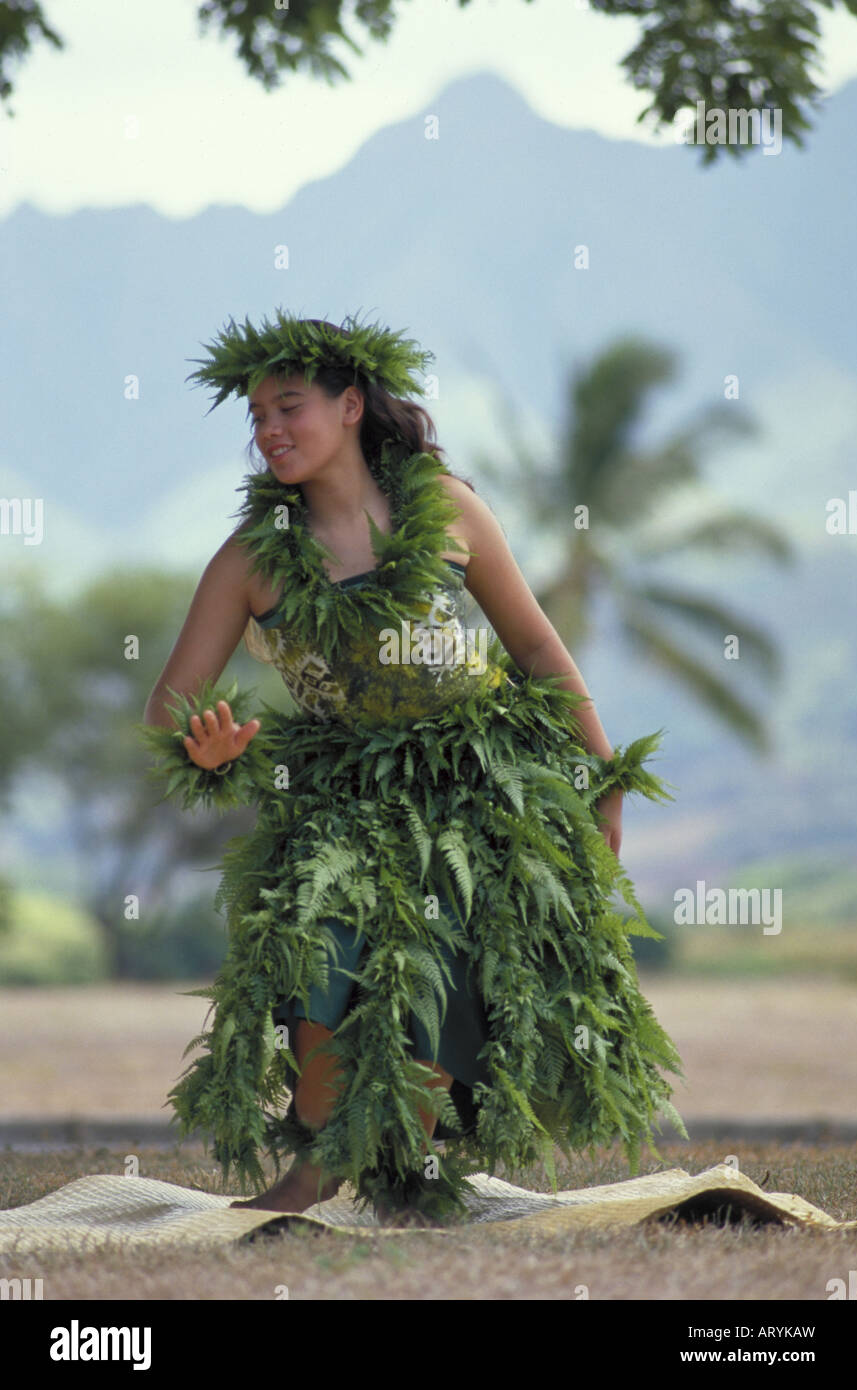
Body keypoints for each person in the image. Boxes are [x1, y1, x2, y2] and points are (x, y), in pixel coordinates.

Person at [141, 310, 686, 1227]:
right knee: (321, 953)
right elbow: (170, 703)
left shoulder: (446, 508)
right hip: (338, 800)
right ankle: (313, 1172)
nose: (268, 430)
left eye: (289, 407)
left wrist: (604, 776)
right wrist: (209, 746)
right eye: (255, 417)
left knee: (438, 970)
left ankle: (405, 1164)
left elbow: (539, 650)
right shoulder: (249, 560)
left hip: (479, 786)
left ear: (351, 405)